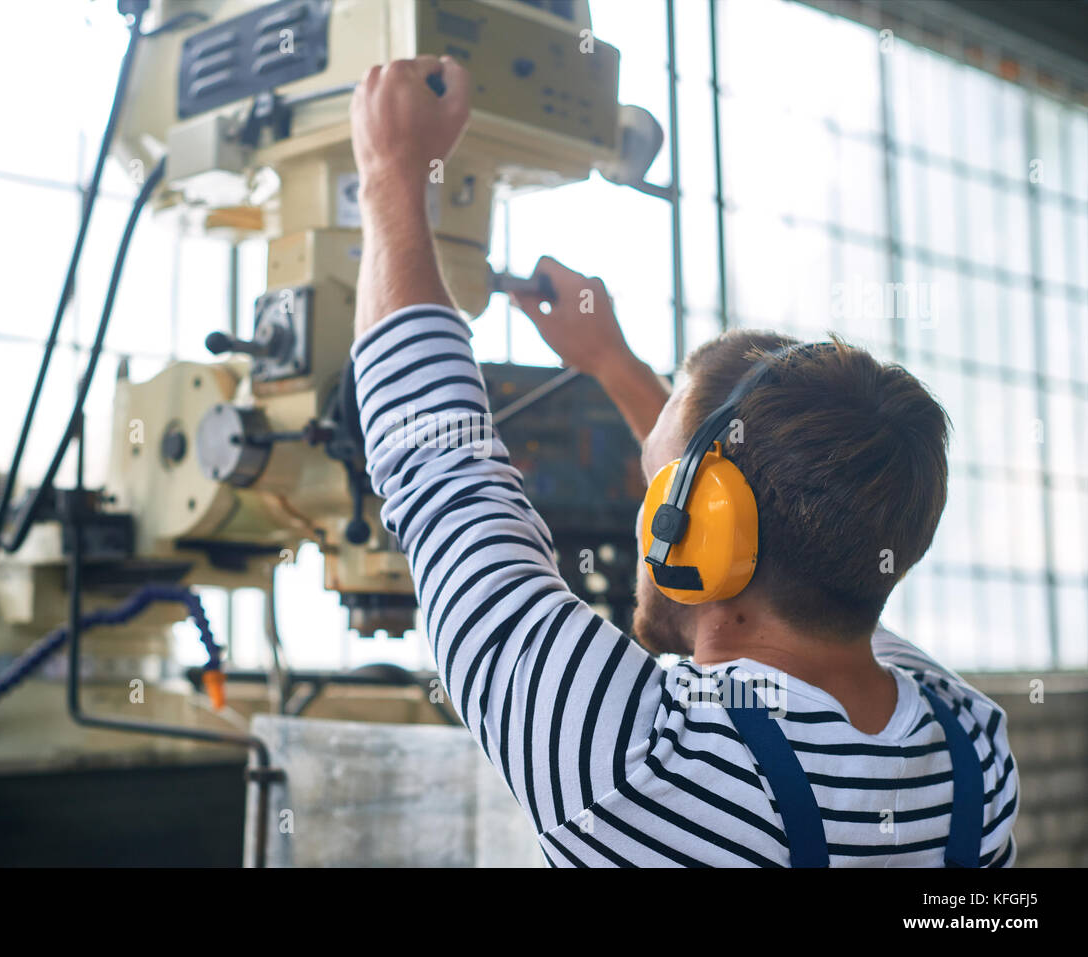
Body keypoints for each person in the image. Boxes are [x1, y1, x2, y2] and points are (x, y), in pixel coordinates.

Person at [347, 55, 1018, 866]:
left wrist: (388, 174)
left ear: (701, 535)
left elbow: (436, 468)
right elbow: (822, 535)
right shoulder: (972, 751)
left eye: (659, 487)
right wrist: (616, 366)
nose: (646, 509)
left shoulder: (633, 762)